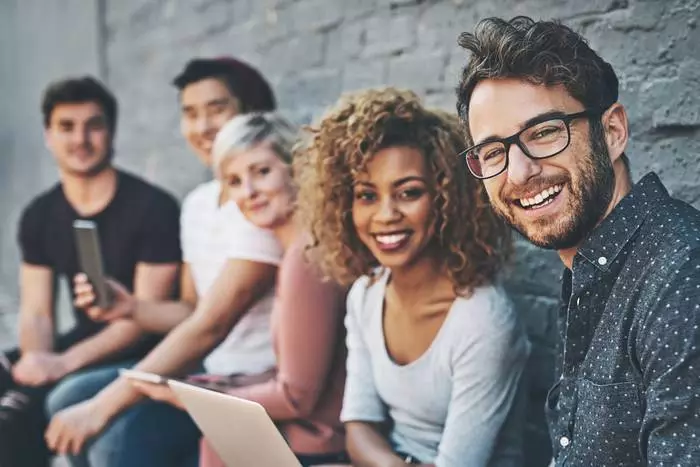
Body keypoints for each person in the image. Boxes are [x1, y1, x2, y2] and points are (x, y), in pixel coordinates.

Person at [456, 16, 700, 466]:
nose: (519, 173)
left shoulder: (682, 280)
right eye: (493, 151)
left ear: (612, 132)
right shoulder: (591, 264)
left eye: (544, 132)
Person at [45, 58, 282, 467]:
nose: (203, 126)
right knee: (66, 397)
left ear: (252, 114)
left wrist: (105, 406)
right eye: (190, 114)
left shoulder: (259, 206)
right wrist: (131, 307)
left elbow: (210, 324)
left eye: (217, 108)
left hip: (248, 381)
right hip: (205, 369)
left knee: (111, 442)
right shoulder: (199, 203)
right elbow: (189, 310)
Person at [294, 88, 530, 466]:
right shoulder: (366, 295)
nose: (386, 215)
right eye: (367, 196)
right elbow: (358, 428)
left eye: (408, 193)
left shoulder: (483, 320)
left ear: (446, 199)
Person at [129, 112, 350, 466]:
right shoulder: (301, 249)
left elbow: (297, 398)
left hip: (313, 449)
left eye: (262, 172)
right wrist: (215, 387)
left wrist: (189, 396)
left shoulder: (306, 259)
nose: (249, 192)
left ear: (295, 168)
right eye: (233, 181)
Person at [0, 76, 181, 467]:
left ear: (111, 131)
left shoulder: (154, 209)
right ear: (48, 135)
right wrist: (37, 357)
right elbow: (36, 311)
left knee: (19, 417)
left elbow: (143, 320)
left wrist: (62, 364)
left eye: (93, 125)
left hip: (140, 349)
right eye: (66, 126)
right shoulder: (39, 215)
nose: (80, 139)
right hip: (81, 342)